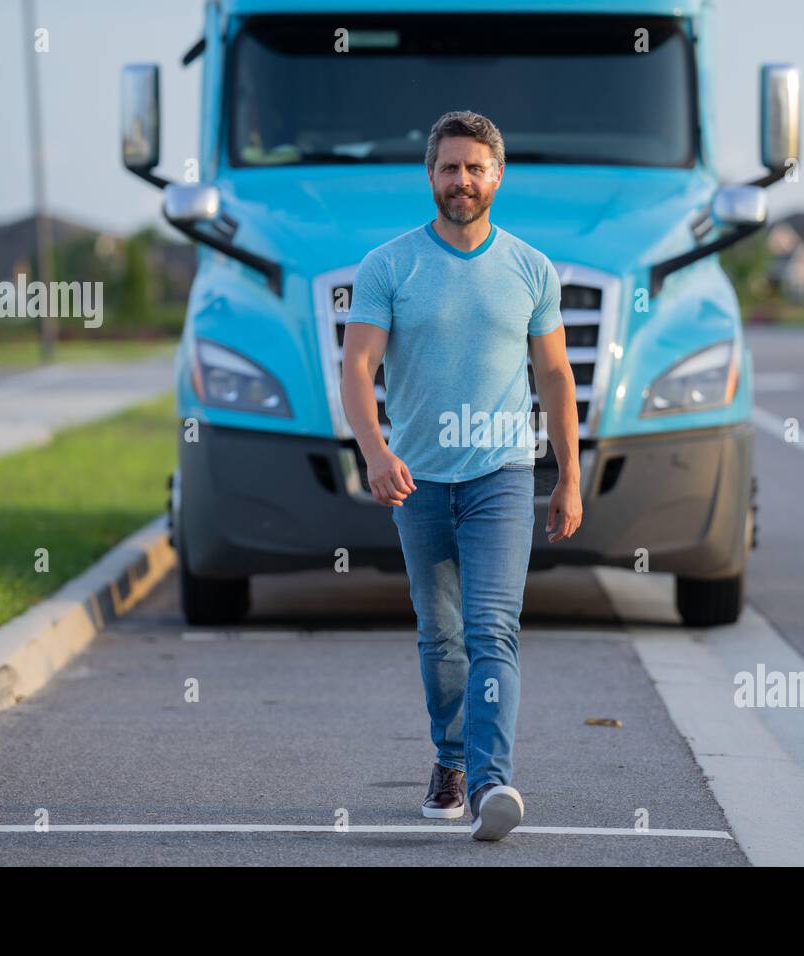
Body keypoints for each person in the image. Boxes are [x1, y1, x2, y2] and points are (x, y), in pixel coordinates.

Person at [339, 110, 582, 841]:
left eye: (476, 168)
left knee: (492, 628)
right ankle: (449, 759)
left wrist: (567, 475)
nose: (462, 181)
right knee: (440, 635)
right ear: (431, 176)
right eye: (450, 168)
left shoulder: (531, 269)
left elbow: (556, 374)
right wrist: (376, 453)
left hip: (503, 473)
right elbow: (356, 365)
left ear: (497, 176)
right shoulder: (388, 266)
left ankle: (489, 783)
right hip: (419, 482)